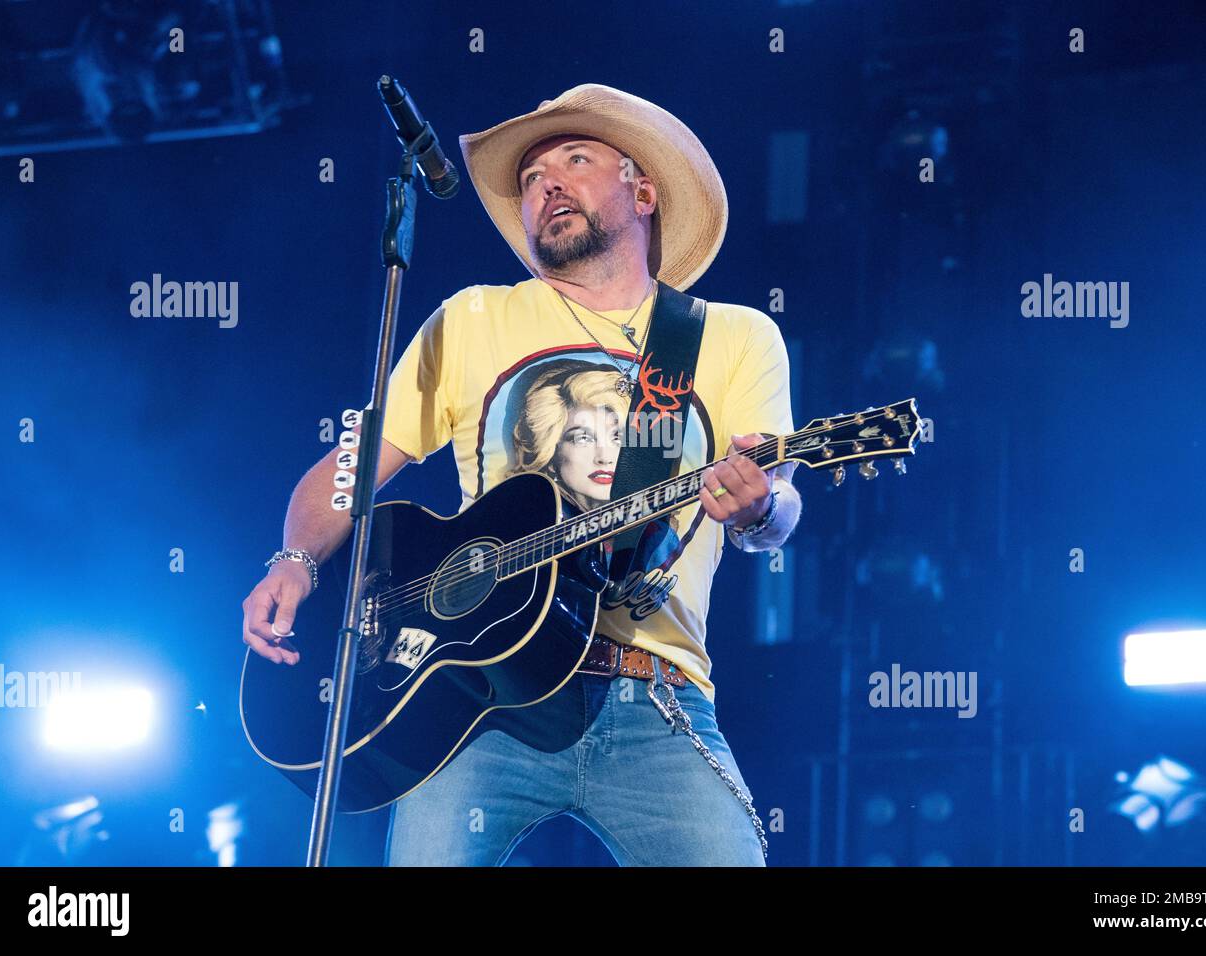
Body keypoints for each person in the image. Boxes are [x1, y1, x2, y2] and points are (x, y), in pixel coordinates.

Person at [240, 84, 802, 865]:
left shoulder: (733, 337)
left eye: (576, 158)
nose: (547, 183)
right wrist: (296, 560)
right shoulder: (474, 318)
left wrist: (758, 507)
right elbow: (350, 471)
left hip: (655, 690)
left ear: (643, 190)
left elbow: (775, 515)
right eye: (533, 176)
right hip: (482, 702)